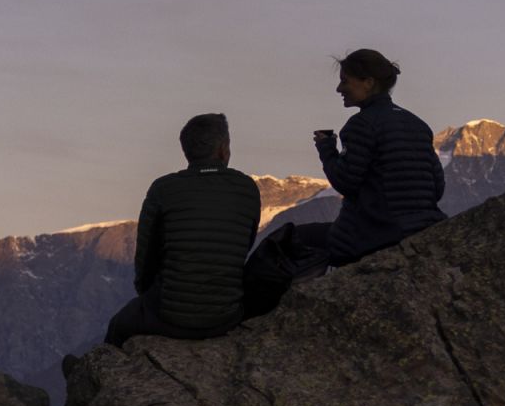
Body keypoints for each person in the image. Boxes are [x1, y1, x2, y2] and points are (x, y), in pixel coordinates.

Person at [242, 47, 447, 315]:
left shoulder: (361, 125)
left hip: (374, 234)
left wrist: (327, 149)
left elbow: (346, 182)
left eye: (345, 81)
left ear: (368, 83)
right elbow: (438, 186)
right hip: (422, 228)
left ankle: (274, 317)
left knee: (291, 241)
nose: (340, 89)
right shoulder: (418, 125)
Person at [105, 112, 261, 347]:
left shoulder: (163, 189)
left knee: (118, 325)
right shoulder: (246, 188)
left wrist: (146, 296)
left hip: (170, 317)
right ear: (223, 148)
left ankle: (91, 377)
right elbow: (244, 246)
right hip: (226, 317)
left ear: (186, 151)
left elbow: (146, 255)